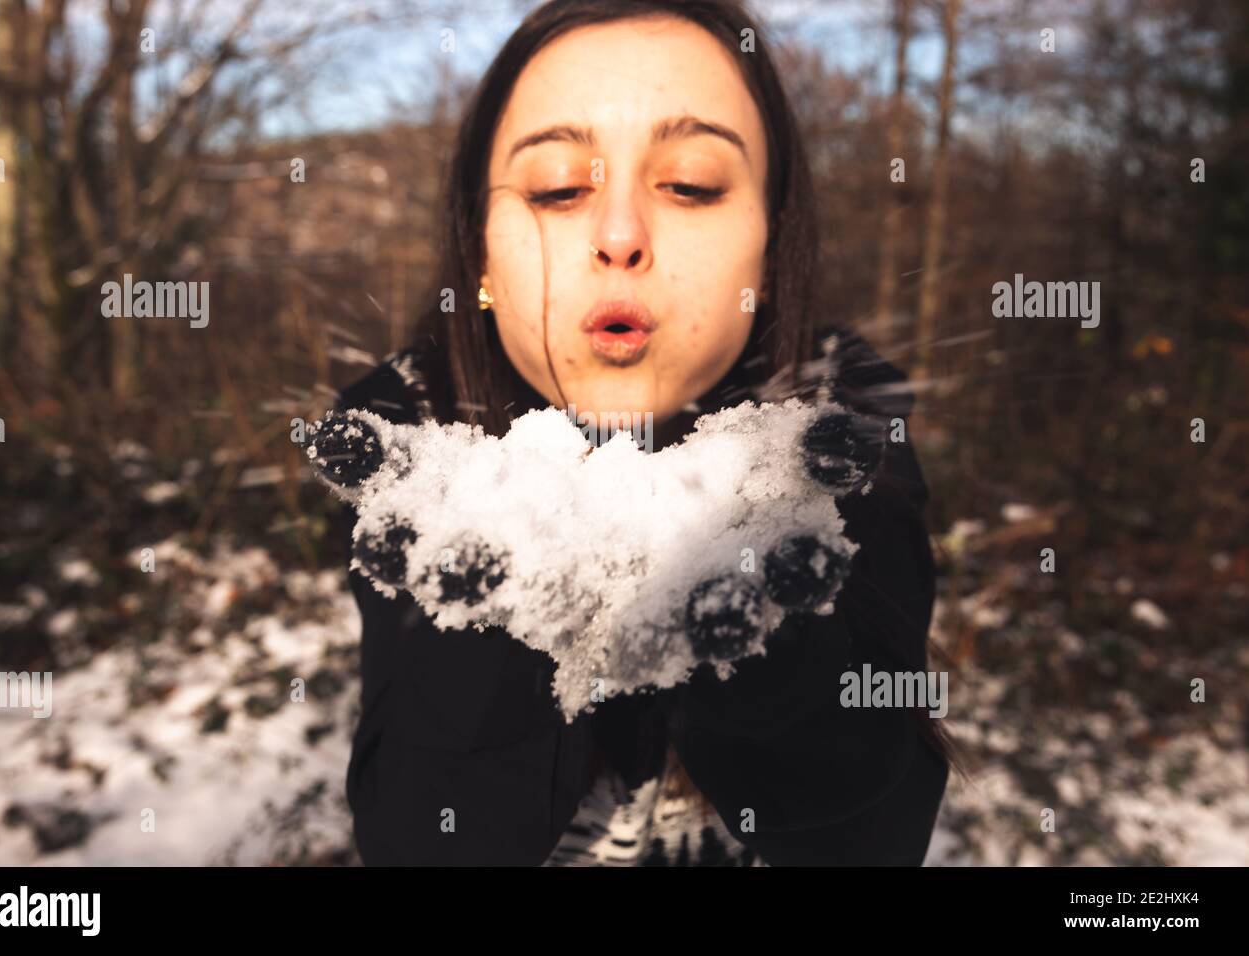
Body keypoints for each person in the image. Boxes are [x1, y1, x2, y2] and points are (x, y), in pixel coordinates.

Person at [331, 0, 953, 866]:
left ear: (771, 255)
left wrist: (785, 690)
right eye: (557, 188)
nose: (620, 236)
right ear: (479, 255)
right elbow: (415, 837)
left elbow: (876, 843)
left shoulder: (840, 442)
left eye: (692, 183)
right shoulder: (410, 447)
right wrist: (496, 652)